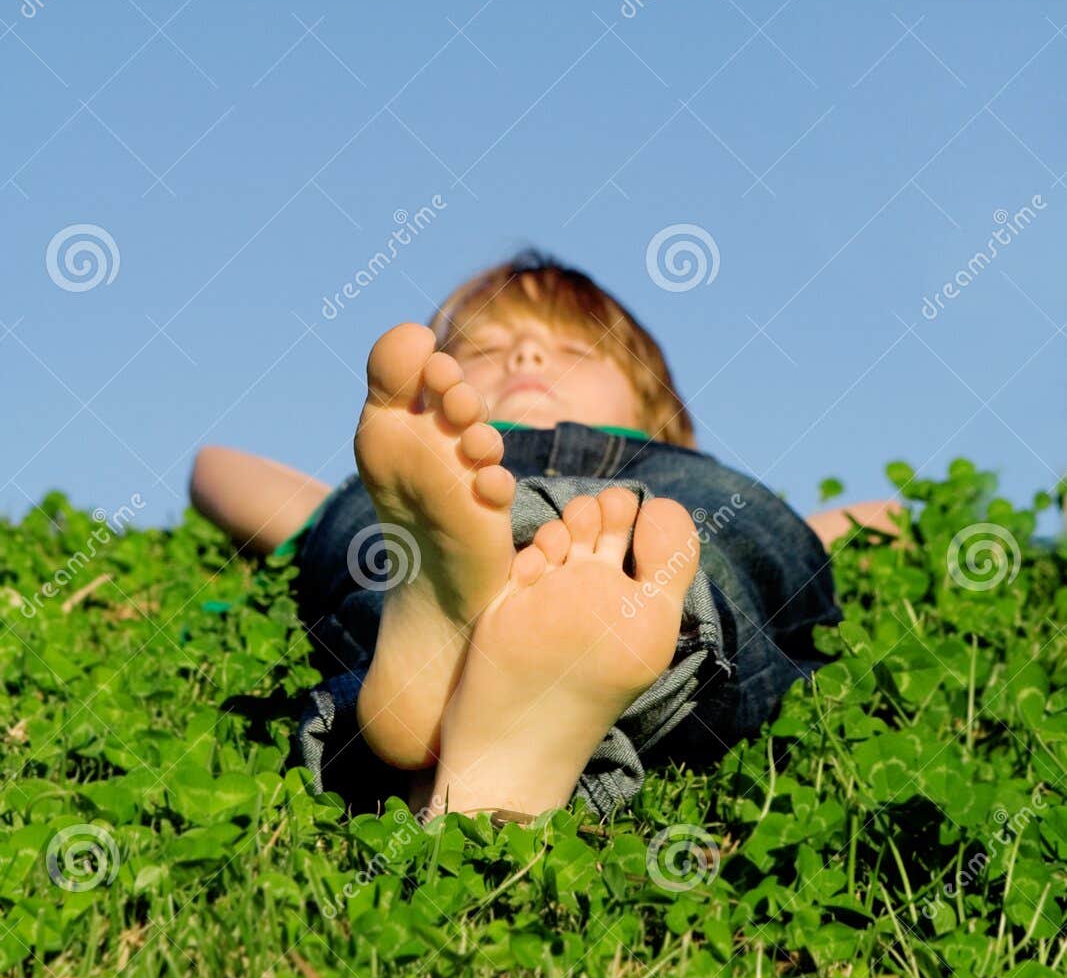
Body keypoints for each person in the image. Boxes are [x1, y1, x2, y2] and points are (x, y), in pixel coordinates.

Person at [190, 252, 898, 820]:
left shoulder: (683, 473)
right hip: (539, 503)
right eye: (484, 348)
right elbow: (215, 470)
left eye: (572, 351)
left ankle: (442, 684)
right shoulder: (428, 456)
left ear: (655, 406)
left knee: (705, 540)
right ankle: (495, 703)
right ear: (444, 381)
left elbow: (211, 467)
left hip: (657, 492)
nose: (525, 357)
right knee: (714, 561)